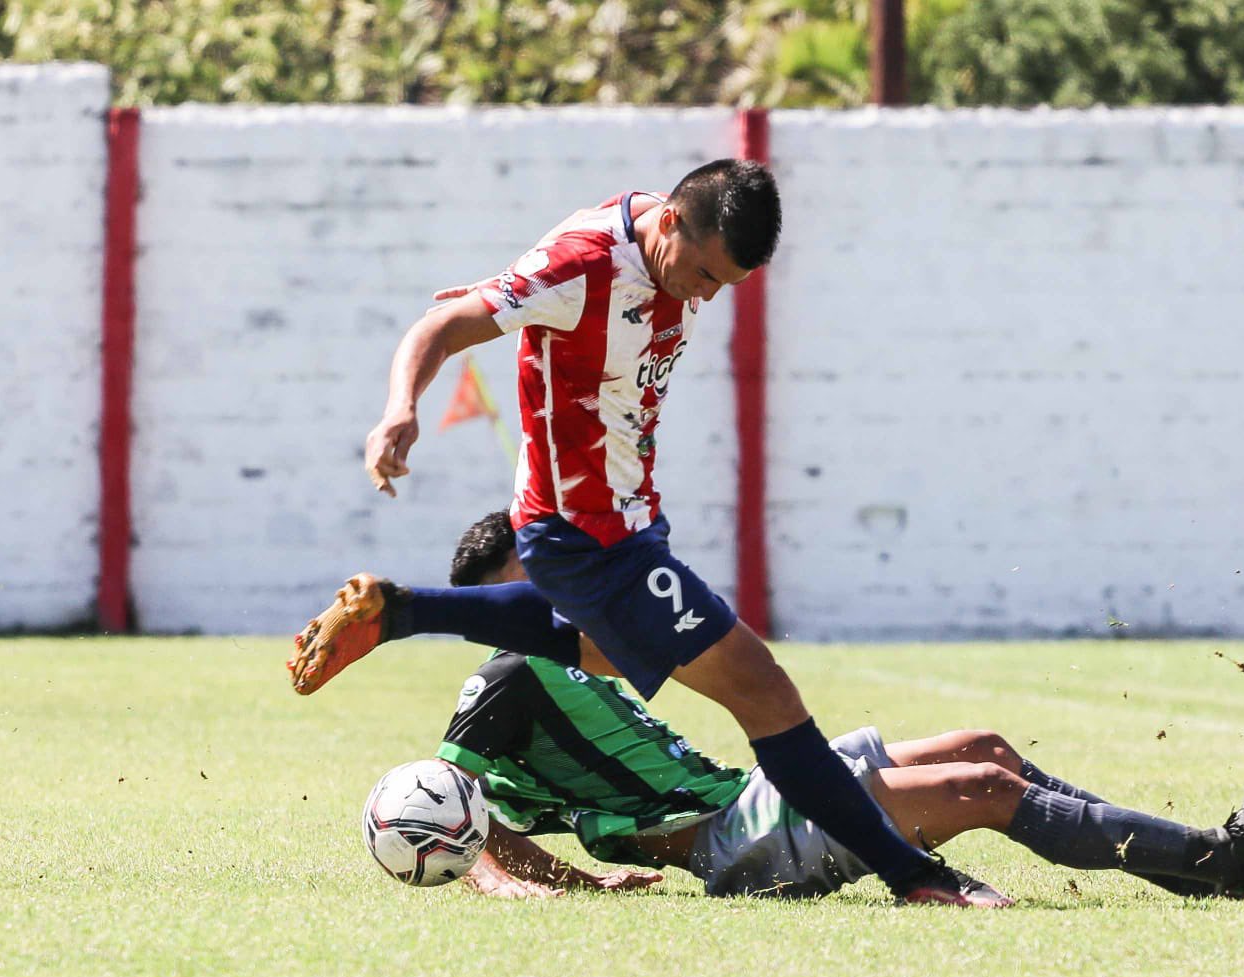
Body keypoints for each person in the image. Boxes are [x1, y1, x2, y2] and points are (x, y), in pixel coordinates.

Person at [332, 158, 1009, 905]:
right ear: (672, 224)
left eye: (725, 284)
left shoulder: (654, 229)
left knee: (606, 656)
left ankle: (403, 612)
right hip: (583, 534)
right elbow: (443, 325)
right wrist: (402, 408)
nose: (706, 292)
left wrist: (509, 285)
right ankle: (912, 877)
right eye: (703, 271)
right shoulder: (584, 266)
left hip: (631, 520)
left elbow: (549, 270)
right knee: (765, 692)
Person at [296, 514, 1244, 904]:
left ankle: (1195, 875)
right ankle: (1222, 861)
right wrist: (553, 887)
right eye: (531, 572)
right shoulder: (510, 674)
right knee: (984, 786)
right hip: (740, 839)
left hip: (761, 791)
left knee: (988, 744)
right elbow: (457, 809)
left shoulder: (587, 644)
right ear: (499, 591)